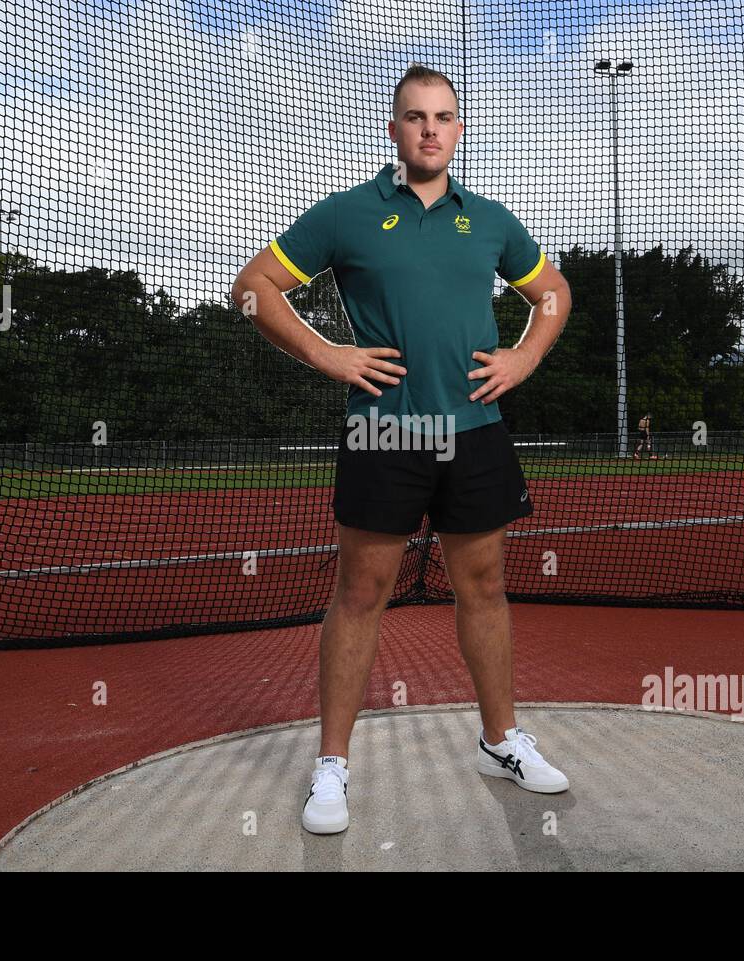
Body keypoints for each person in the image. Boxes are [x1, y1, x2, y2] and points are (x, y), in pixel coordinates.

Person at [231, 64, 573, 834]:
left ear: (459, 130)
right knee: (360, 593)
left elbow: (553, 294)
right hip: (385, 430)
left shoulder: (488, 219)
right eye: (415, 116)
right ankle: (332, 766)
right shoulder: (348, 214)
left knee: (483, 586)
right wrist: (330, 355)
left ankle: (500, 740)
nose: (429, 128)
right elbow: (252, 286)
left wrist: (522, 357)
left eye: (443, 117)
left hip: (475, 430)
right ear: (393, 130)